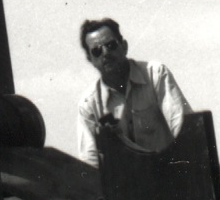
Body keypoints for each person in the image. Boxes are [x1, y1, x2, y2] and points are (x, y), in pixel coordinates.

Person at [75, 18, 191, 165]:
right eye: (97, 51)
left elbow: (184, 129)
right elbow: (90, 163)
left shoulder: (156, 75)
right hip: (124, 184)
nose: (106, 53)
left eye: (111, 45)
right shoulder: (88, 104)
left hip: (169, 175)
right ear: (90, 59)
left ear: (124, 46)